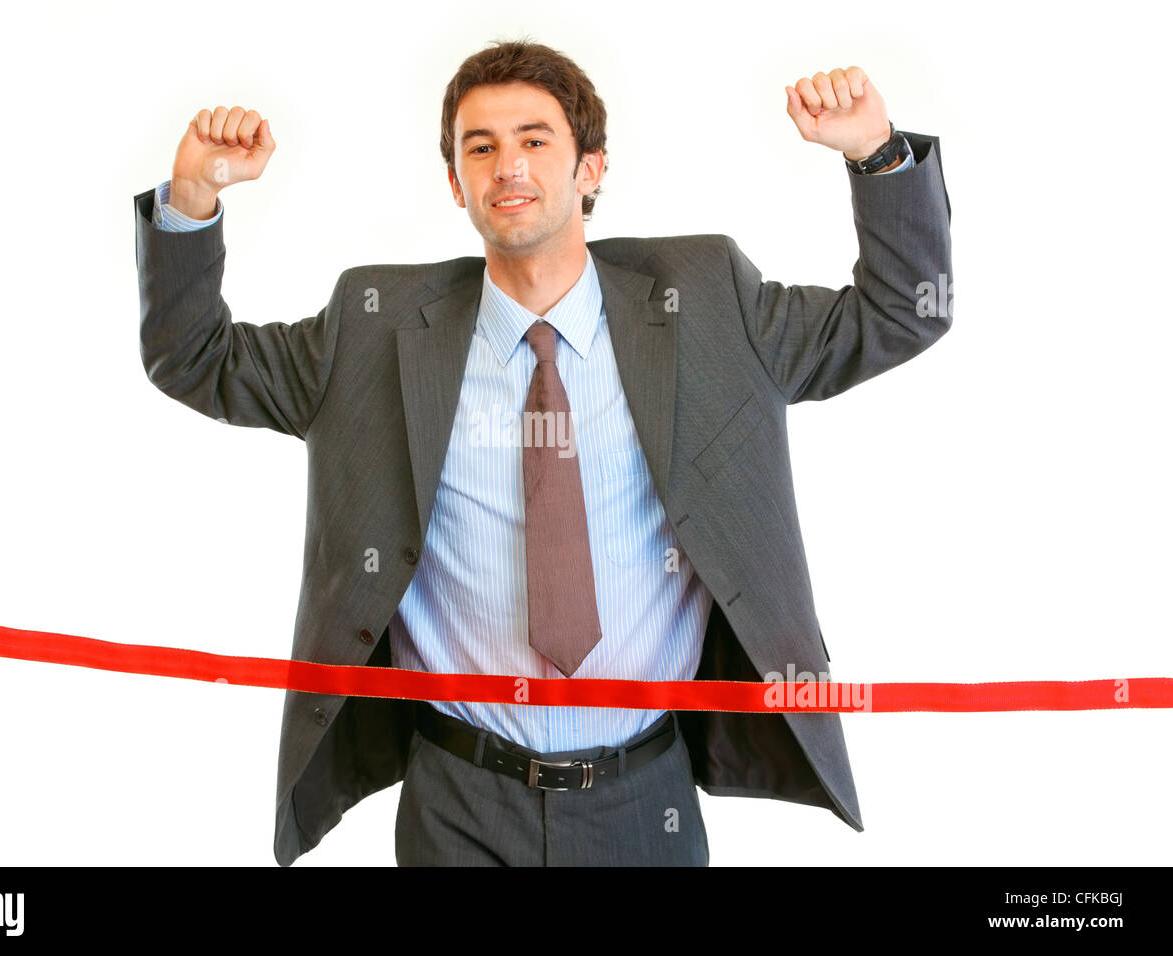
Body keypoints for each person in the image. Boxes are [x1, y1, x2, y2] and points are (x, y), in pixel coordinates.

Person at [133, 39, 951, 866]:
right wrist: (194, 197)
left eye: (534, 140)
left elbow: (900, 315)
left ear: (590, 167)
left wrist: (876, 154)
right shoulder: (373, 324)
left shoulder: (706, 300)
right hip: (457, 796)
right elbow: (196, 360)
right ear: (455, 184)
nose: (507, 167)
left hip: (643, 795)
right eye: (479, 148)